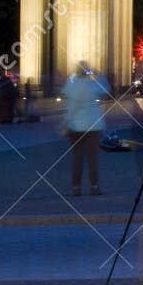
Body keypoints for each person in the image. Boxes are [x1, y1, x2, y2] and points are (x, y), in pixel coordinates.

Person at [62, 61, 106, 196]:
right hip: (93, 125)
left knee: (77, 158)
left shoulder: (71, 84)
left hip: (75, 126)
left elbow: (68, 103)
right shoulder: (93, 84)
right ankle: (94, 186)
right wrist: (98, 74)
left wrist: (65, 123)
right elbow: (105, 89)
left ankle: (76, 187)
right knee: (92, 158)